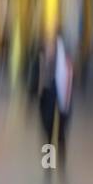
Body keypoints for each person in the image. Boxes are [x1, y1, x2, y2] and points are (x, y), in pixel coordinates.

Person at [33, 34, 73, 169]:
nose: (48, 48)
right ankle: (48, 163)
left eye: (50, 46)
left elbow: (69, 83)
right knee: (48, 133)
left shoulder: (64, 64)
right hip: (46, 101)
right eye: (46, 45)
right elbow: (37, 83)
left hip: (62, 103)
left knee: (61, 133)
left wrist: (66, 103)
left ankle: (61, 163)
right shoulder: (41, 61)